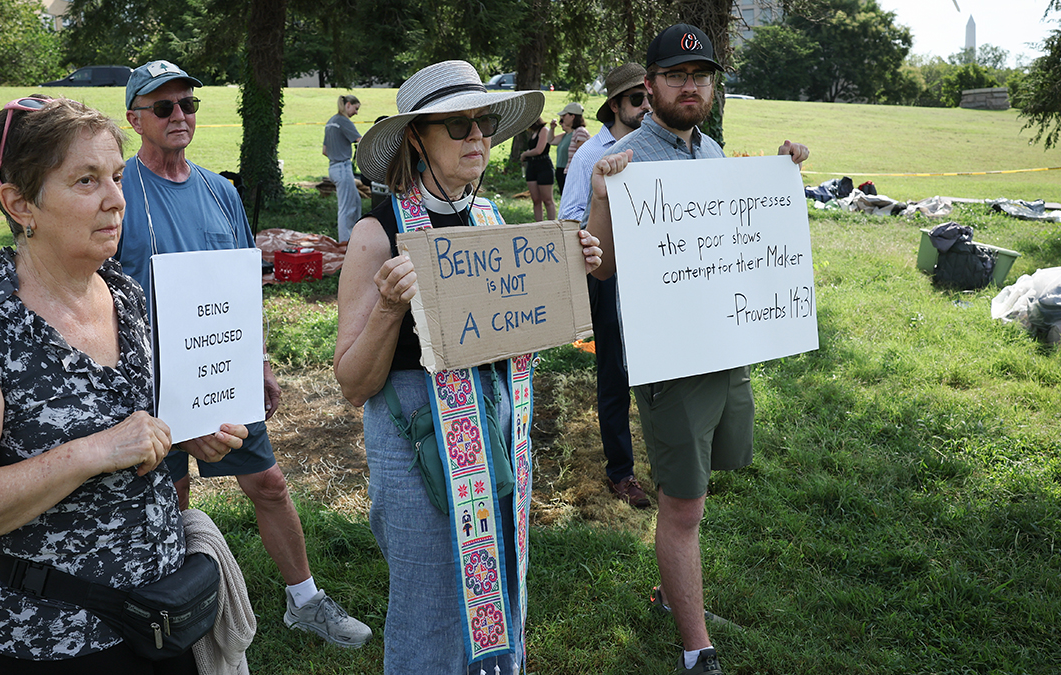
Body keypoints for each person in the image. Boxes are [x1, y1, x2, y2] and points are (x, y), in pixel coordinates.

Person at [0, 95, 249, 673]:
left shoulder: (122, 292)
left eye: (116, 176)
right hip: (56, 642)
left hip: (163, 617)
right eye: (86, 180)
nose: (116, 199)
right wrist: (94, 452)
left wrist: (183, 433)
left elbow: (129, 421)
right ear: (20, 203)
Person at [335, 60, 602, 674]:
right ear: (417, 139)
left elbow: (515, 326)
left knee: (498, 572)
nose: (477, 136)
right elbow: (352, 383)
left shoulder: (489, 221)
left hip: (494, 426)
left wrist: (567, 271)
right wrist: (389, 308)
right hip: (417, 438)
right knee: (430, 598)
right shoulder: (378, 233)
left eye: (482, 122)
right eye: (458, 126)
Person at [116, 60, 372, 649]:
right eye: (164, 107)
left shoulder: (220, 190)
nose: (180, 115)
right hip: (149, 379)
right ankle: (174, 612)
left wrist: (258, 362)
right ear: (135, 119)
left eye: (188, 104)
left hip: (218, 367)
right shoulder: (119, 191)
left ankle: (305, 601)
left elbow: (240, 286)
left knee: (269, 483)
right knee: (169, 494)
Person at [583, 24, 809, 675]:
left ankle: (669, 592)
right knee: (683, 505)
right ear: (649, 85)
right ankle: (695, 647)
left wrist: (781, 175)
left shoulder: (710, 152)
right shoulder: (625, 160)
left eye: (702, 76)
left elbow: (738, 241)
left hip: (726, 347)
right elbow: (603, 268)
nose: (691, 86)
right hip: (671, 359)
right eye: (677, 76)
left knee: (704, 484)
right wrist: (600, 198)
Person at [559, 62, 653, 509]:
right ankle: (621, 472)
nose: (646, 106)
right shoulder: (588, 156)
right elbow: (568, 221)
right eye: (637, 99)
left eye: (649, 97)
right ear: (615, 105)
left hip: (657, 272)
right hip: (609, 275)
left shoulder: (657, 146)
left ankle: (670, 459)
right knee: (614, 371)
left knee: (659, 366)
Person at [324, 94, 363, 242]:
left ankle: (355, 236)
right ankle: (346, 243)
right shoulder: (343, 121)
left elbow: (325, 151)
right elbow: (360, 140)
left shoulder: (331, 121)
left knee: (355, 202)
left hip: (333, 167)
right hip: (342, 167)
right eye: (355, 108)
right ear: (348, 105)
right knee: (347, 208)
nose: (356, 113)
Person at [519, 117, 556, 221]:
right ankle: (538, 223)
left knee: (547, 200)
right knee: (536, 199)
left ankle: (551, 223)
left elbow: (539, 150)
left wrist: (525, 154)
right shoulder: (534, 133)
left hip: (544, 166)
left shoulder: (544, 130)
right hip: (532, 166)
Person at [548, 102, 590, 192]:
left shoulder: (580, 131)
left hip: (574, 174)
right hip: (569, 172)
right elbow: (550, 141)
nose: (562, 118)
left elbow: (580, 156)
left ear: (572, 116)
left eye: (564, 115)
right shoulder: (575, 132)